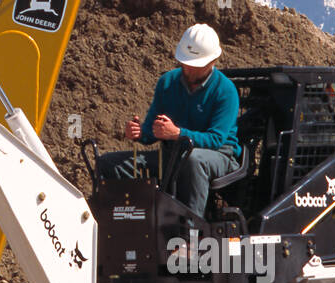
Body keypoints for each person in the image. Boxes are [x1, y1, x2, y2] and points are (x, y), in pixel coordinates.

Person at [98, 23, 241, 218]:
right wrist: (140, 133)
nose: (189, 69)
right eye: (186, 63)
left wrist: (178, 134)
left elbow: (216, 139)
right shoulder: (167, 82)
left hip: (218, 156)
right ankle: (116, 225)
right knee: (107, 163)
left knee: (193, 160)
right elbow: (151, 130)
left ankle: (190, 233)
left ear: (213, 61)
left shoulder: (225, 90)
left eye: (195, 65)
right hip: (173, 154)